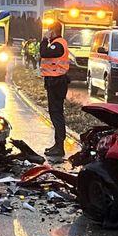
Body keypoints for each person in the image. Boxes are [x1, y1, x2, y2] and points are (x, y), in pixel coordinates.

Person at [39, 22, 75, 161]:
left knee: (56, 114)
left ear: (54, 31)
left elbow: (44, 53)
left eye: (49, 30)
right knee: (55, 113)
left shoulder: (58, 44)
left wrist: (44, 39)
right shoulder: (56, 44)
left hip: (57, 83)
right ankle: (57, 145)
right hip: (55, 83)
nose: (47, 33)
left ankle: (59, 147)